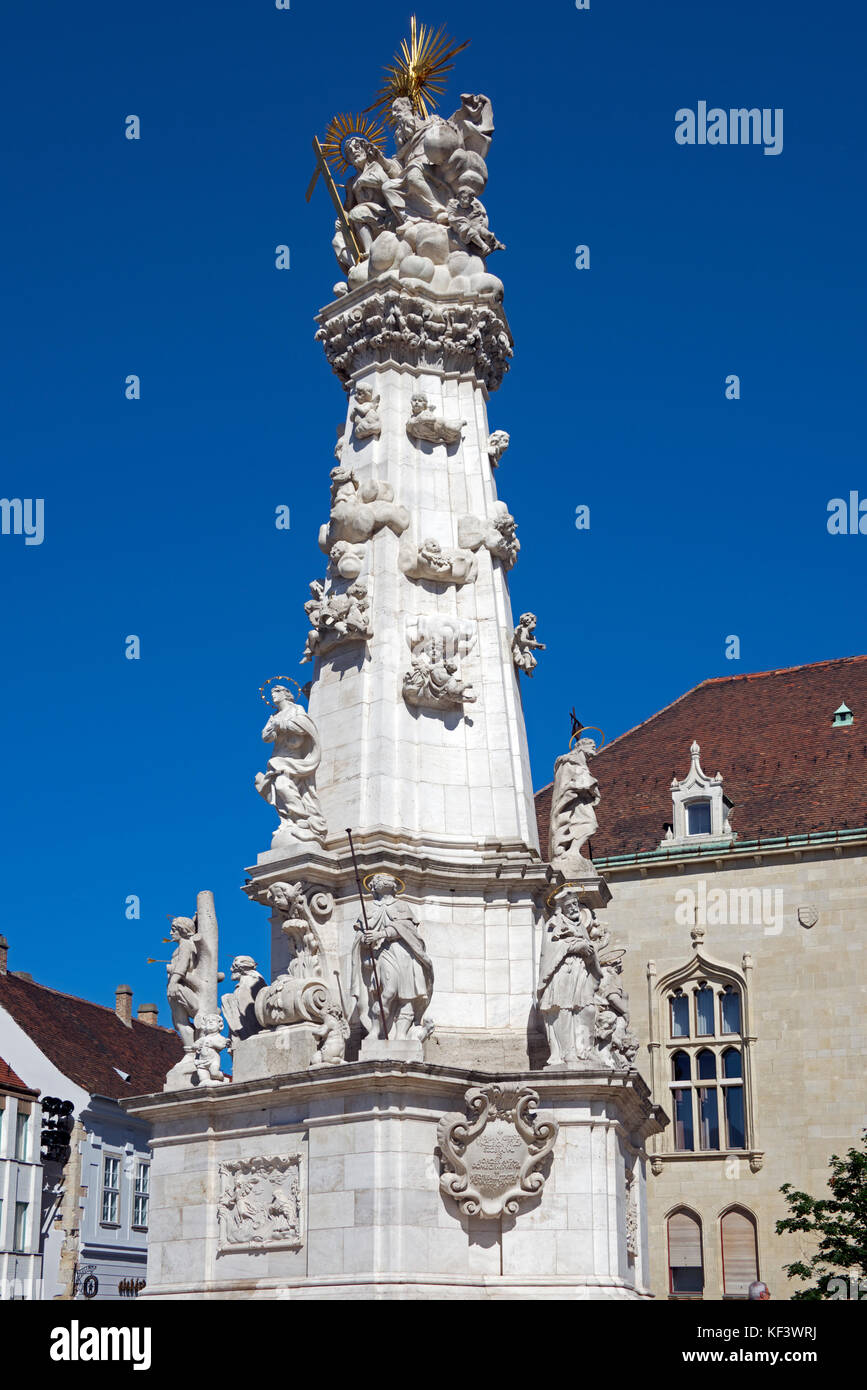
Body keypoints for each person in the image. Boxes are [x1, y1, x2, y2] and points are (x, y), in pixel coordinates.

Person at [350, 874, 433, 1041]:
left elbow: (405, 928)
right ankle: (375, 1031)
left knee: (407, 996)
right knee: (387, 992)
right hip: (385, 953)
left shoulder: (402, 905)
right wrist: (365, 940)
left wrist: (380, 933)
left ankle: (401, 1034)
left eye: (388, 879)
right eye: (379, 879)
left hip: (406, 954)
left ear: (395, 886)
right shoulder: (369, 909)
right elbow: (360, 937)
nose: (384, 880)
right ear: (373, 887)